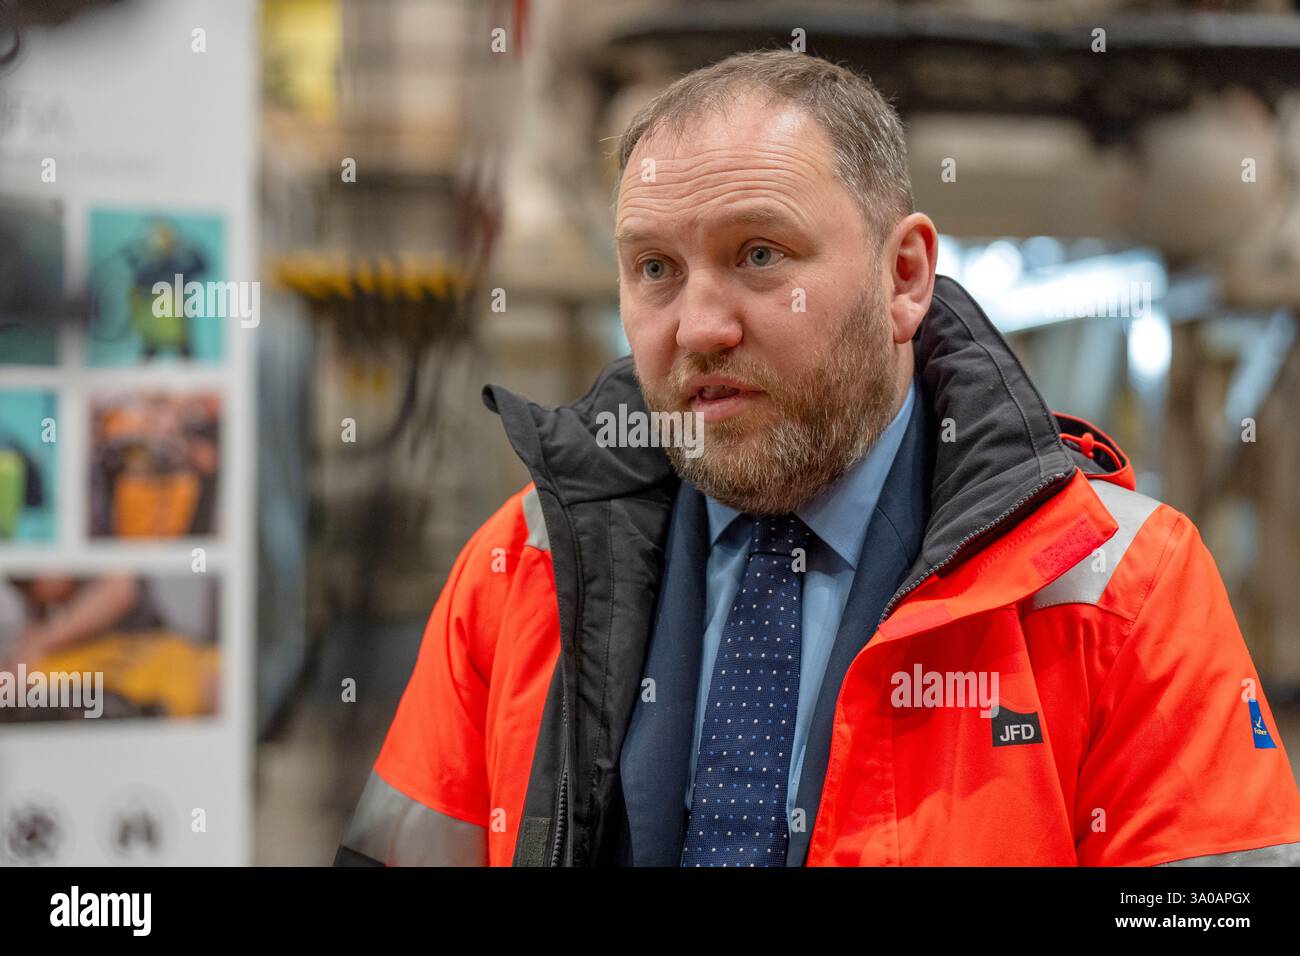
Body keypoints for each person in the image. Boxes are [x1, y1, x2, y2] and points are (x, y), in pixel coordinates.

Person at [336, 50, 1300, 867]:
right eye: (656, 270)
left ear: (904, 278)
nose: (699, 328)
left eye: (760, 255)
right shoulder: (522, 572)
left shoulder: (1116, 592)